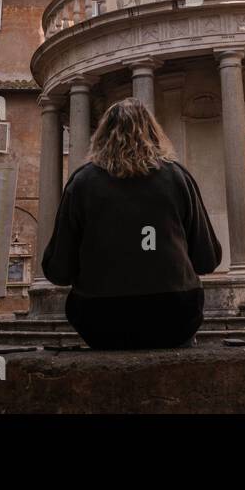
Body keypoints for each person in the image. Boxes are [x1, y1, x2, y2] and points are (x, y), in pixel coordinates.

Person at [43, 97, 221, 350]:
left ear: (101, 136)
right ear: (154, 134)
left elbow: (58, 271)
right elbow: (207, 259)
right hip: (174, 315)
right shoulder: (178, 177)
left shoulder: (82, 182)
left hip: (102, 319)